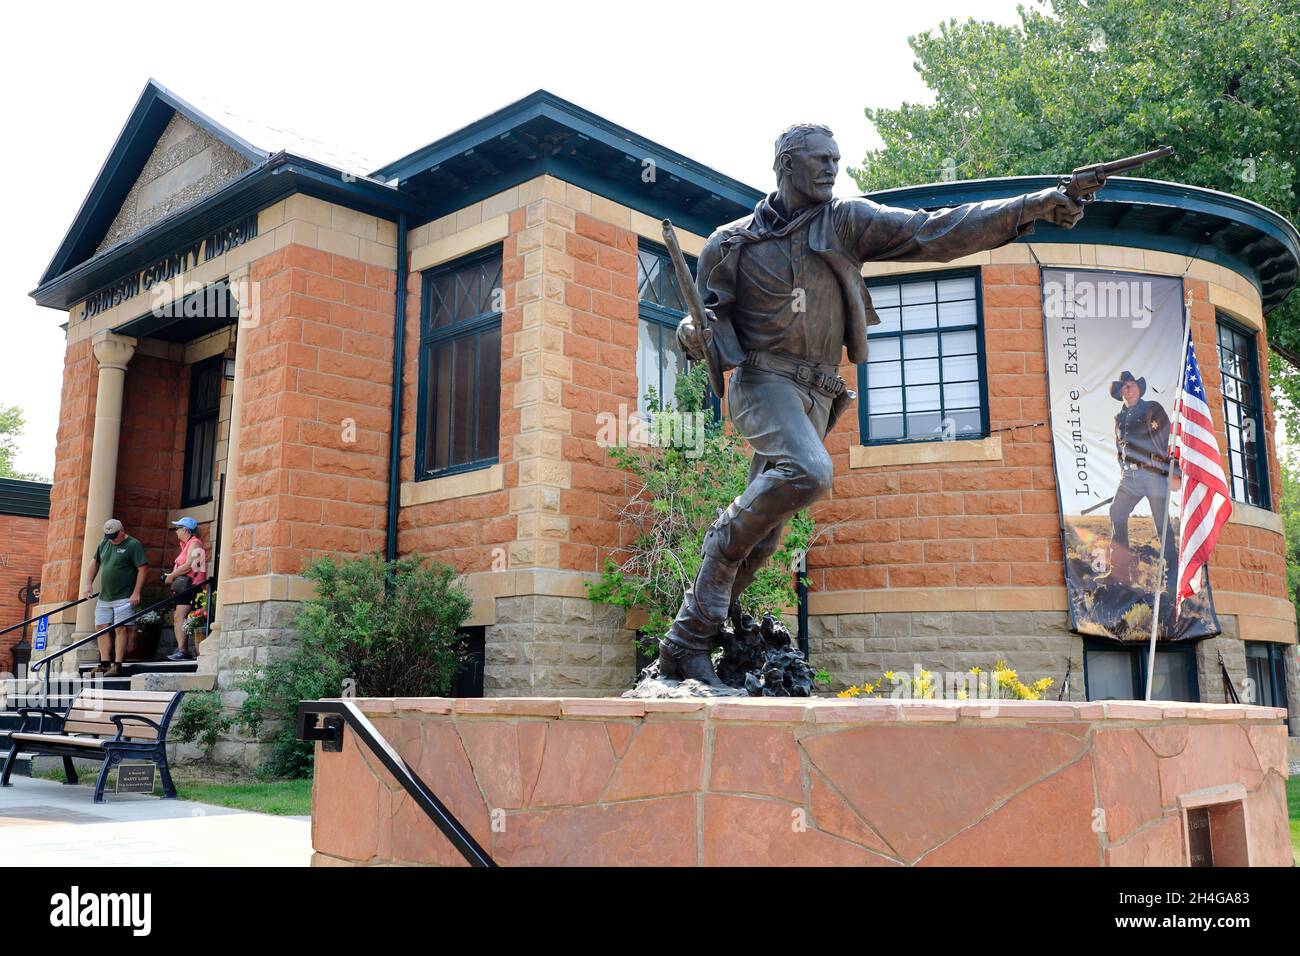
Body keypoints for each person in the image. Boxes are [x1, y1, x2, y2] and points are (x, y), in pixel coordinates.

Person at [666, 123, 1085, 684]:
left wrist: (1028, 206)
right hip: (762, 383)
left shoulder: (847, 221)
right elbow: (705, 319)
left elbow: (936, 231)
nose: (830, 169)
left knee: (765, 537)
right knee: (809, 472)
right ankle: (709, 578)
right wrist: (689, 331)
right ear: (786, 165)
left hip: (818, 393)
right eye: (818, 160)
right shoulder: (731, 242)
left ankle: (690, 645)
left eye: (835, 160)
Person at [1105, 370, 1180, 585]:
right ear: (1120, 393)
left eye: (1132, 385)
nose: (1129, 389)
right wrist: (1123, 471)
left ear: (1139, 388)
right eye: (1125, 387)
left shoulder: (1152, 409)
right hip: (1130, 476)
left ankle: (1171, 580)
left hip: (1155, 474)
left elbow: (1169, 440)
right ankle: (1120, 575)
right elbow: (1120, 448)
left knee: (1161, 524)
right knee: (1116, 512)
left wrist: (1174, 473)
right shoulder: (1119, 418)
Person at [79, 518, 149, 677]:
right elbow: (94, 563)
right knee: (100, 627)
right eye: (109, 537)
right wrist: (88, 584)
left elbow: (143, 569)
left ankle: (117, 664)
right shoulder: (104, 544)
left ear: (122, 531)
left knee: (120, 628)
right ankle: (104, 664)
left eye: (114, 536)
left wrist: (136, 592)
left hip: (124, 596)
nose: (111, 540)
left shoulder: (133, 545)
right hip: (105, 596)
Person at [163, 517, 207, 660]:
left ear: (186, 530)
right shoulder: (188, 545)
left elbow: (190, 565)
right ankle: (184, 650)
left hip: (191, 586)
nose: (176, 531)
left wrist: (171, 575)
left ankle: (182, 650)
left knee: (179, 616)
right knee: (183, 616)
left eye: (178, 528)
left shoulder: (194, 543)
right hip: (187, 586)